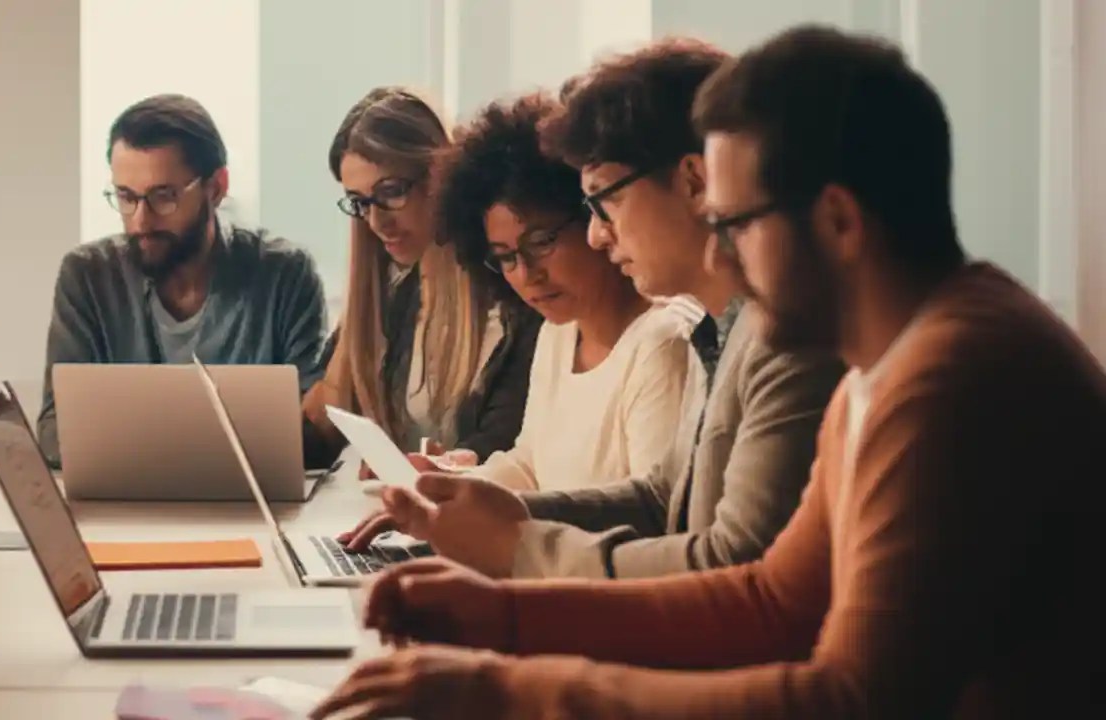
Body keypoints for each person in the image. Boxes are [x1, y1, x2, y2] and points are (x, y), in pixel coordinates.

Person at [311, 26, 1106, 719]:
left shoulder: (951, 375)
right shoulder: (885, 363)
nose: (720, 253)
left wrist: (519, 690)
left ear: (837, 221)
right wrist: (507, 618)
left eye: (732, 224)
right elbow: (769, 597)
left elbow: (854, 701)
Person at [344, 38, 844, 579]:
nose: (599, 235)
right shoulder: (716, 329)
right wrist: (489, 513)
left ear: (696, 181)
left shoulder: (782, 340)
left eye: (606, 200)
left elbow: (733, 565)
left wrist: (516, 548)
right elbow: (661, 499)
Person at [37, 94, 328, 466]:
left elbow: (315, 432)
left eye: (164, 197)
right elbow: (53, 431)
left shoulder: (285, 274)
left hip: (253, 513)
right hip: (121, 512)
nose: (140, 220)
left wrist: (141, 445)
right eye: (126, 197)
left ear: (216, 188)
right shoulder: (88, 277)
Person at [302, 87, 540, 468]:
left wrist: (435, 468)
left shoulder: (515, 287)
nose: (378, 222)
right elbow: (320, 432)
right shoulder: (390, 296)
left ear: (439, 175)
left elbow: (504, 441)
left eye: (392, 192)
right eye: (361, 203)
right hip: (398, 513)